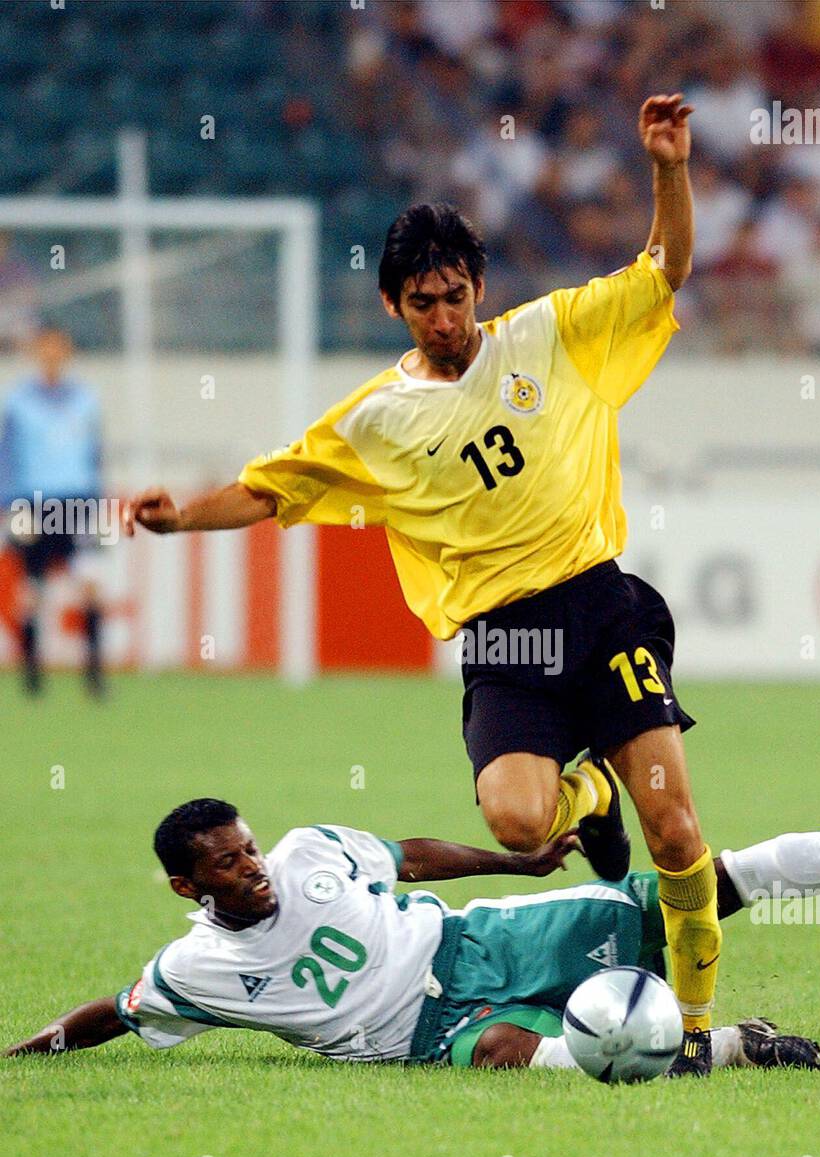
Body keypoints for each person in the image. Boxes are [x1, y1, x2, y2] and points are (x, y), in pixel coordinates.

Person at [123, 94, 730, 1075]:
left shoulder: (556, 336)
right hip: (499, 637)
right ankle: (585, 792)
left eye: (456, 295)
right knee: (518, 820)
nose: (445, 318)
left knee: (676, 830)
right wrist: (181, 516)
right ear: (392, 306)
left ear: (479, 286)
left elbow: (665, 270)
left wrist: (667, 167)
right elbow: (271, 489)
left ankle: (696, 1030)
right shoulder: (374, 421)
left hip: (597, 600)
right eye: (423, 302)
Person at [5, 798, 820, 1070]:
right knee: (514, 1056)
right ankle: (740, 1043)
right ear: (188, 883)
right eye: (226, 864)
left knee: (707, 882)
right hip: (418, 1037)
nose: (252, 866)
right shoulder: (196, 971)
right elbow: (119, 1013)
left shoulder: (312, 850)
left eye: (249, 848)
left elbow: (409, 855)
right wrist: (31, 1043)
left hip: (472, 946)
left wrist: (519, 862)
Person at [1, 327, 106, 696]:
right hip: (33, 503)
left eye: (58, 347)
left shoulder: (86, 399)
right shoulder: (17, 402)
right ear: (36, 352)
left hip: (80, 502)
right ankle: (32, 676)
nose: (52, 354)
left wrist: (98, 500)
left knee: (91, 584)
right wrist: (8, 506)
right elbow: (7, 457)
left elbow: (94, 455)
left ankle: (94, 675)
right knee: (32, 589)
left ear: (67, 351)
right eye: (45, 348)